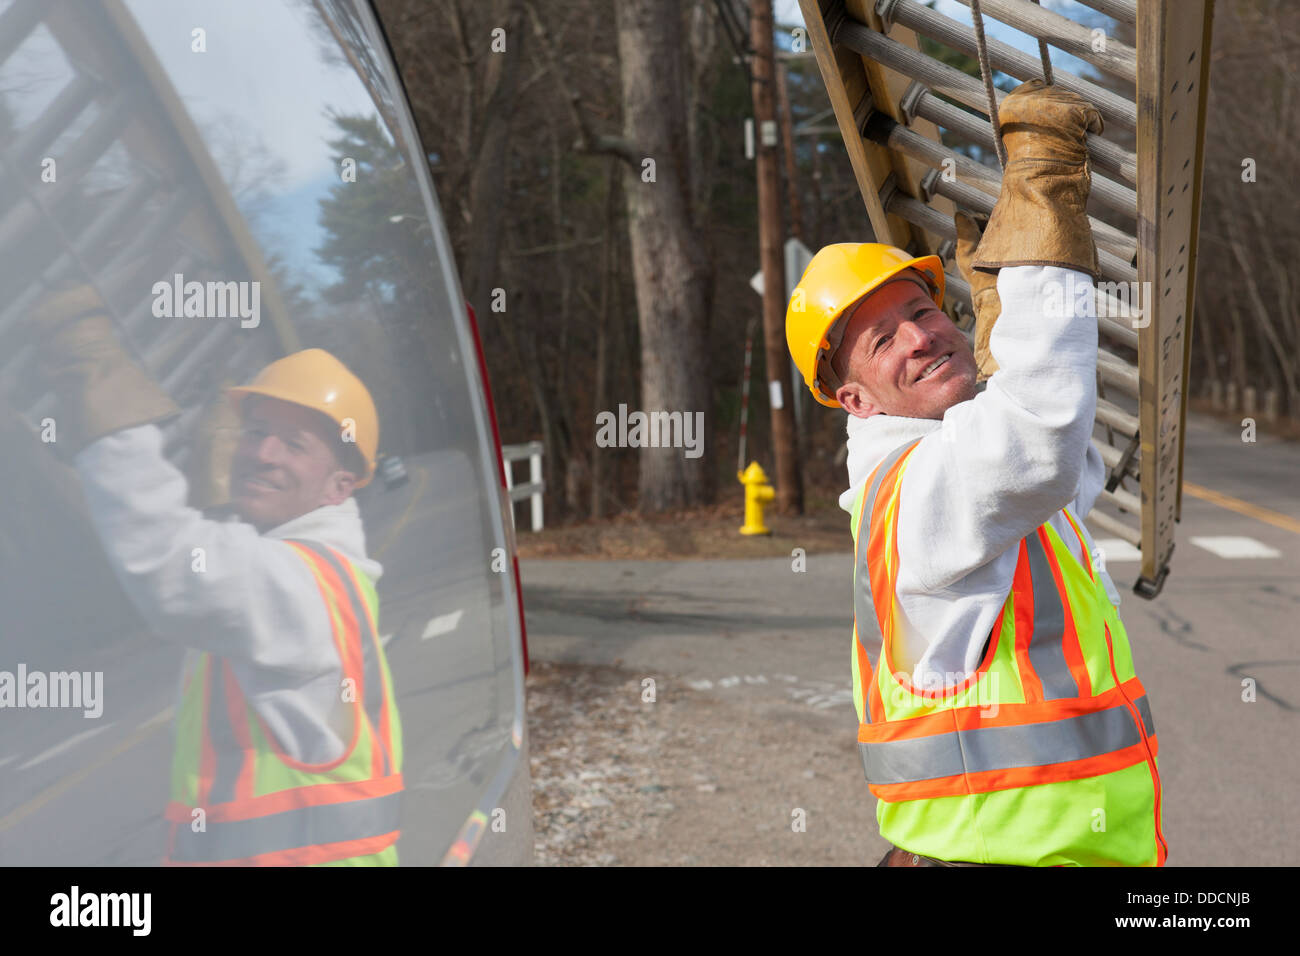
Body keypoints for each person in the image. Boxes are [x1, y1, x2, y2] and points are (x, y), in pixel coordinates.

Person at [785, 80, 1166, 866]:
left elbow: (1065, 469)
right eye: (881, 341)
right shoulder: (913, 495)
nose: (918, 338)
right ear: (854, 399)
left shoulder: (963, 480)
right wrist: (1041, 206)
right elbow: (1041, 432)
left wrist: (998, 337)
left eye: (923, 313)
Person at [33, 285, 403, 866]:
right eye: (255, 433)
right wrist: (223, 513)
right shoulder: (326, 576)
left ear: (341, 485)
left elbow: (168, 563)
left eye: (294, 444)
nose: (262, 454)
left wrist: (99, 385)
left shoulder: (300, 587)